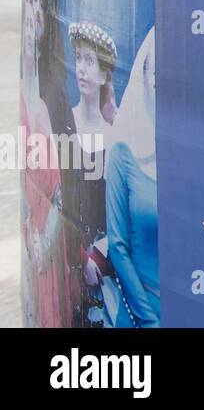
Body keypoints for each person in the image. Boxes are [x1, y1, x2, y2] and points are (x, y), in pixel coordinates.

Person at [20, 0, 78, 328]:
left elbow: (63, 181)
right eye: (32, 0)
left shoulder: (51, 93)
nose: (35, 14)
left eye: (43, 6)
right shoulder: (28, 84)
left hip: (51, 235)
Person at [106, 29, 160, 327]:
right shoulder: (122, 155)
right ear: (143, 73)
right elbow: (118, 248)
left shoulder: (193, 157)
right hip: (139, 318)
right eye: (156, 73)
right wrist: (150, 322)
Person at [67, 19, 118, 325]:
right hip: (66, 261)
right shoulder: (64, 125)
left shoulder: (114, 137)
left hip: (101, 275)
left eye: (90, 60)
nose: (82, 69)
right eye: (77, 59)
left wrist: (96, 257)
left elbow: (121, 217)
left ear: (104, 74)